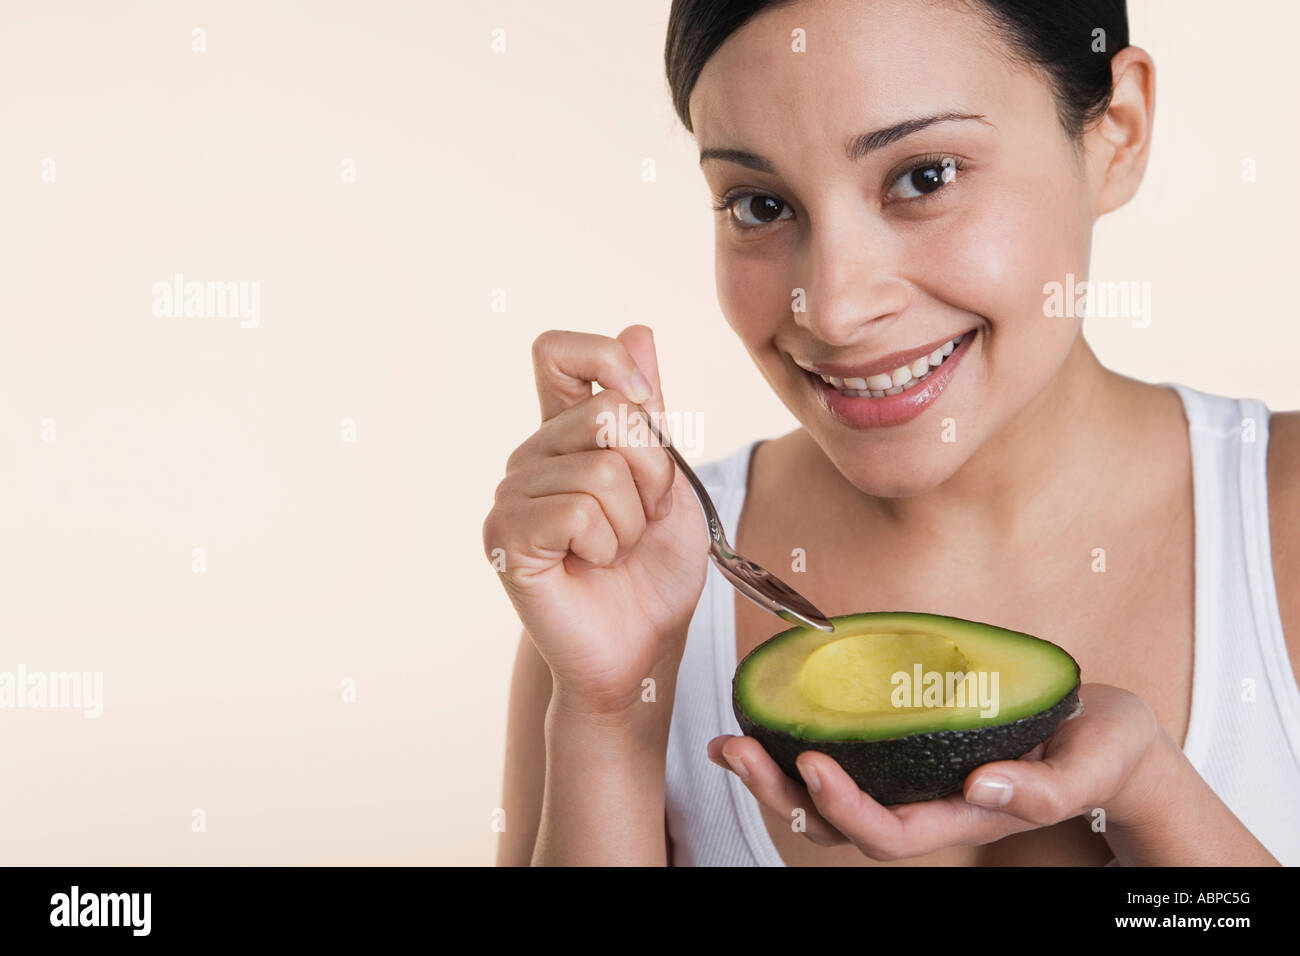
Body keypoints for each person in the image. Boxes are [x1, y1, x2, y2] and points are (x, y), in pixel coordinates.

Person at [483, 0, 1300, 865]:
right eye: (760, 204)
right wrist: (613, 718)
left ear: (1118, 133)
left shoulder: (1280, 525)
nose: (833, 309)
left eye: (926, 177)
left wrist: (1157, 798)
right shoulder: (627, 588)